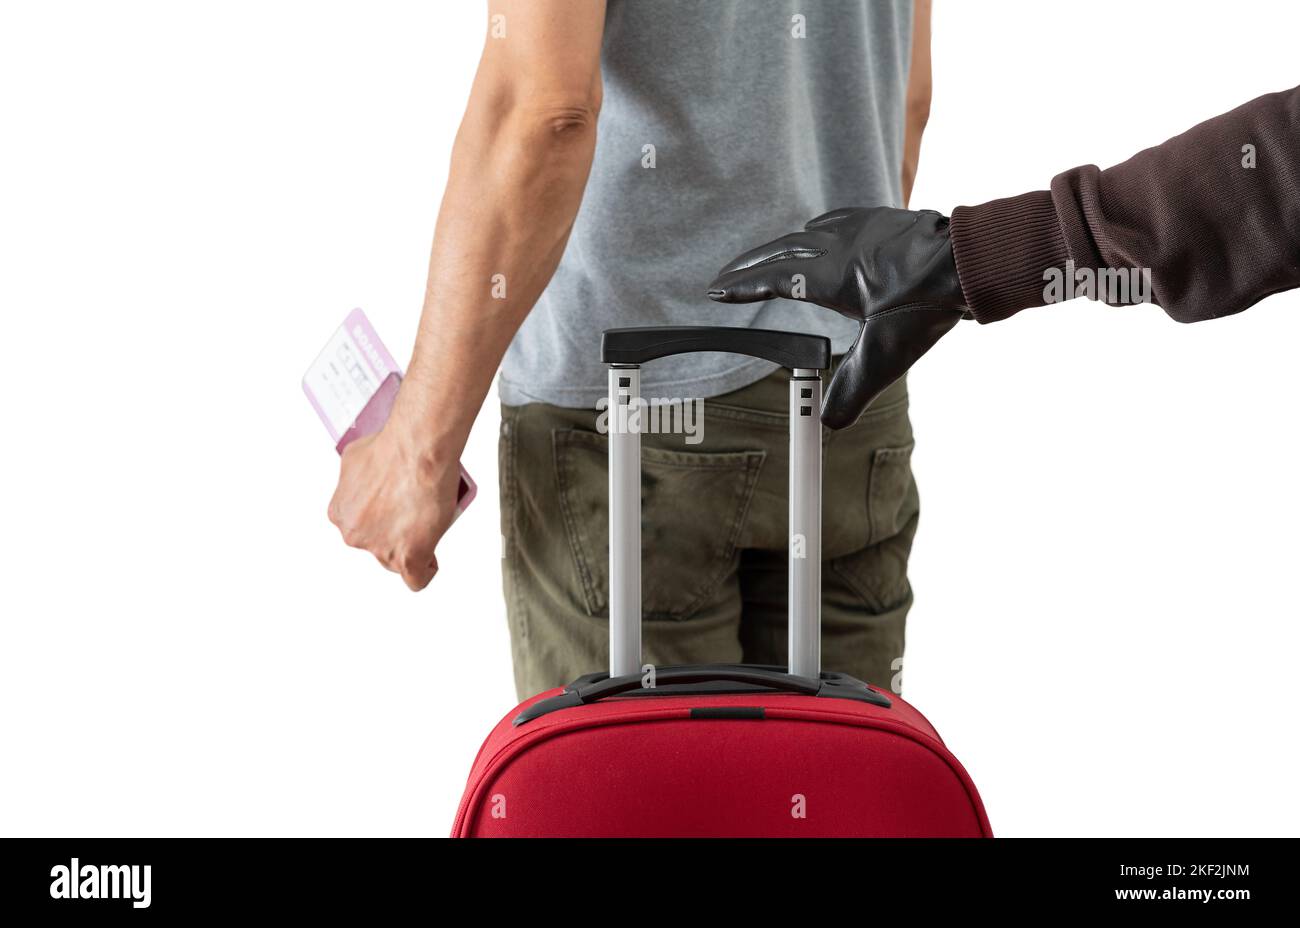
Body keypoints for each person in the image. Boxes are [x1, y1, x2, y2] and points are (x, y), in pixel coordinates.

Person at [328, 0, 935, 698]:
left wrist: (419, 448)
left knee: (647, 800)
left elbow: (545, 110)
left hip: (633, 410)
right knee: (836, 792)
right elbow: (908, 101)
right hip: (851, 394)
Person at [710, 85, 1300, 428]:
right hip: (846, 375)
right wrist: (970, 256)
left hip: (689, 374)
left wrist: (955, 259)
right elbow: (913, 97)